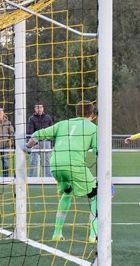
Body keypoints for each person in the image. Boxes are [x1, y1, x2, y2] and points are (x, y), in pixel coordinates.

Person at [25, 100, 98, 242]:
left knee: (67, 192)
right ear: (92, 114)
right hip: (74, 165)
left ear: (76, 112)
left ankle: (57, 233)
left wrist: (27, 147)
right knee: (96, 196)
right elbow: (98, 152)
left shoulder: (63, 123)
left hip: (55, 165)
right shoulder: (94, 128)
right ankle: (93, 235)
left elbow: (36, 135)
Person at [26, 103, 53, 177]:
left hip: (46, 142)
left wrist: (51, 142)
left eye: (41, 107)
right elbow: (30, 132)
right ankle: (30, 177)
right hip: (36, 142)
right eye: (38, 108)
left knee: (47, 160)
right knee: (33, 160)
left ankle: (48, 176)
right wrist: (34, 143)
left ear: (43, 108)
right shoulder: (31, 119)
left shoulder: (48, 118)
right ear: (35, 109)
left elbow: (52, 130)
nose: (39, 109)